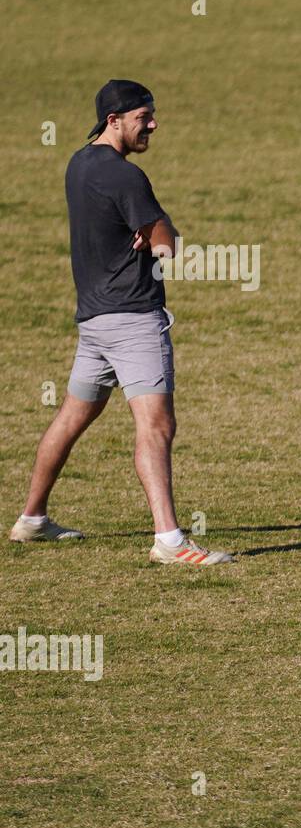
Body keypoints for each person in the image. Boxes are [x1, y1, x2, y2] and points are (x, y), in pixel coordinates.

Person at [10, 79, 233, 565]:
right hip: (133, 319)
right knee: (156, 426)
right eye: (142, 117)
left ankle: (31, 519)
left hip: (94, 321)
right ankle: (169, 541)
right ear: (114, 121)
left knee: (73, 417)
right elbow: (167, 247)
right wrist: (161, 228)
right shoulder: (128, 178)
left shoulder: (78, 163)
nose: (153, 124)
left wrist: (144, 228)